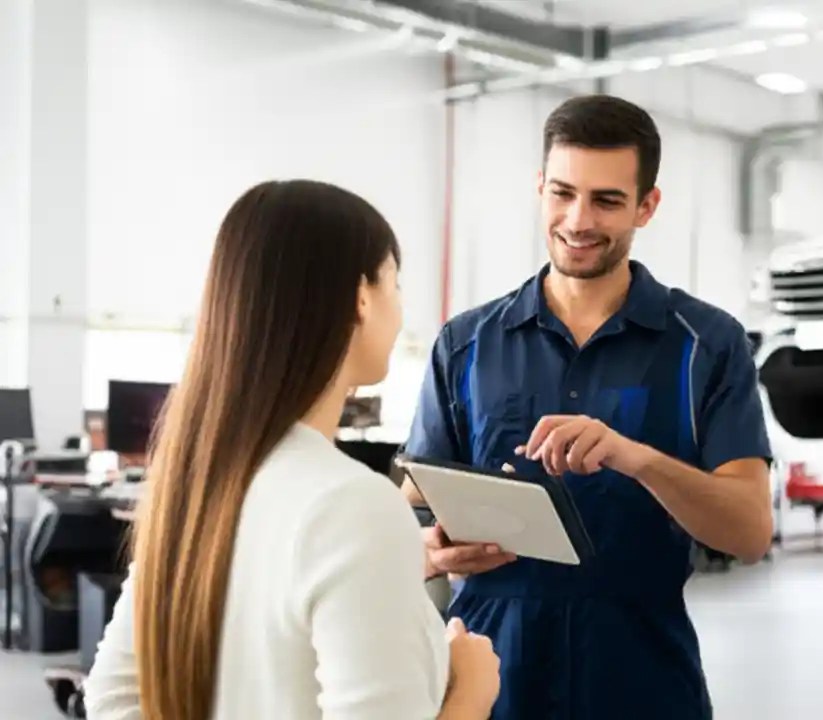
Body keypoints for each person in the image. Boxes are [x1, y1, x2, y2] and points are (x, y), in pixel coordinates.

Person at [401, 94, 774, 719]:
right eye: (562, 193)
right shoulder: (464, 343)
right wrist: (430, 551)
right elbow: (416, 495)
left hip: (642, 679)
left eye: (606, 200)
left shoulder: (705, 344)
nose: (577, 220)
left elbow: (750, 532)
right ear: (540, 187)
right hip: (489, 682)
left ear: (647, 206)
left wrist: (638, 459)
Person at [83, 180, 500, 720]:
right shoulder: (355, 503)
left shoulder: (198, 482)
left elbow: (113, 701)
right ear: (361, 297)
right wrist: (470, 692)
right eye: (396, 285)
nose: (399, 314)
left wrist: (391, 564)